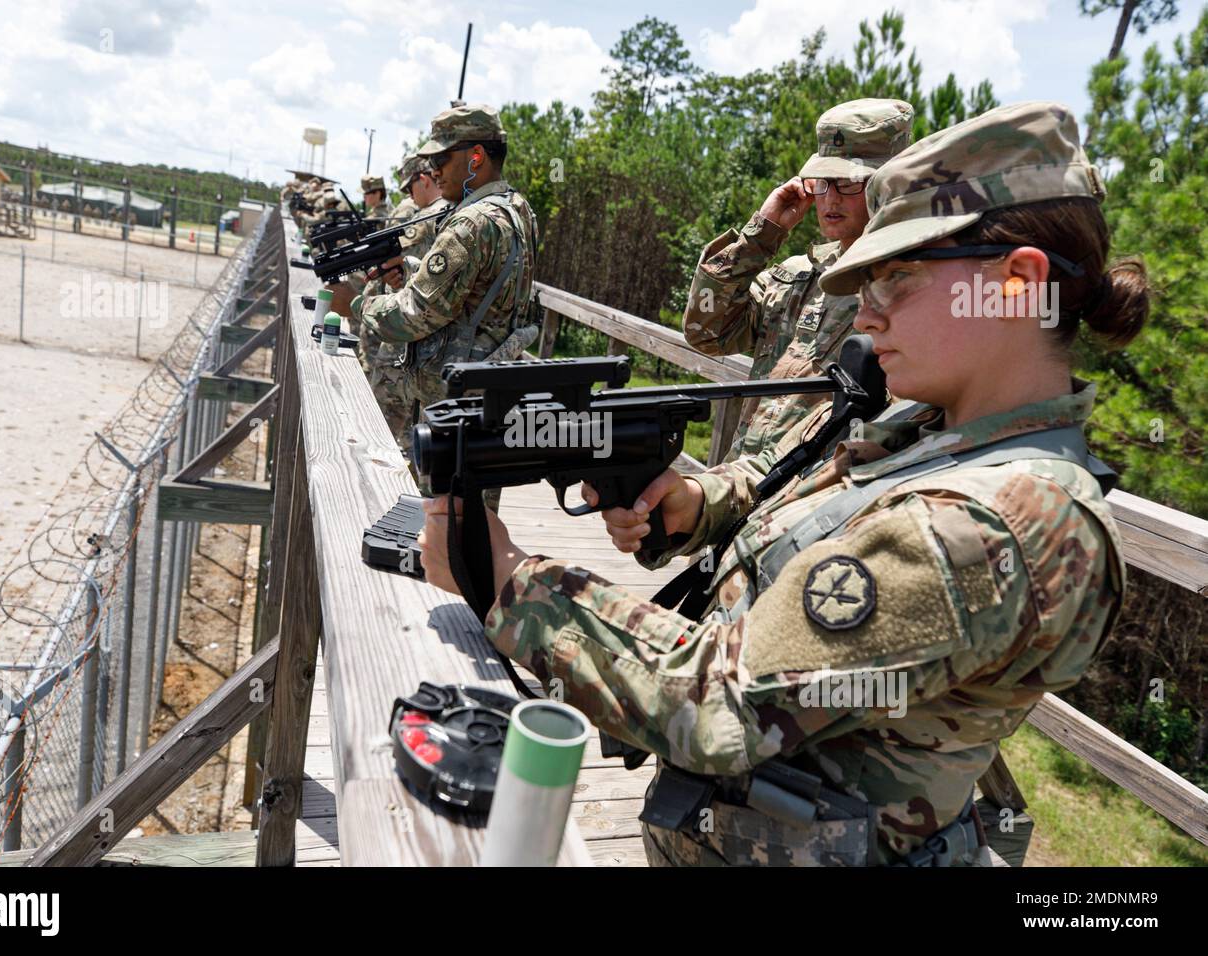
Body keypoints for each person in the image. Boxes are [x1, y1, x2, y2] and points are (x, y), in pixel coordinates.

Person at [417, 102, 1148, 866]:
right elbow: (796, 481)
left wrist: (504, 577)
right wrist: (696, 503)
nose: (865, 313)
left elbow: (719, 703)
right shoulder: (931, 425)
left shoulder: (1000, 522)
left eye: (895, 278)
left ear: (1016, 285)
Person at [684, 99, 913, 462]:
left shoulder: (915, 284)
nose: (830, 199)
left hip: (822, 498)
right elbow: (707, 332)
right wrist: (760, 236)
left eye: (849, 182)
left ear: (888, 184)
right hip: (740, 487)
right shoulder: (798, 273)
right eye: (822, 182)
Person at [351, 103, 539, 416]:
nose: (434, 171)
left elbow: (415, 315)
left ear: (476, 156)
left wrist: (356, 305)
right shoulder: (519, 209)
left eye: (441, 158)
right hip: (491, 388)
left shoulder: (471, 223)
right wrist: (411, 268)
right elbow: (483, 289)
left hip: (450, 399)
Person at [367, 152, 452, 452]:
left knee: (383, 412)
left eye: (410, 187)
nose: (409, 196)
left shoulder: (431, 215)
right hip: (434, 335)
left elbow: (399, 257)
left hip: (414, 329)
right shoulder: (452, 211)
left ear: (424, 179)